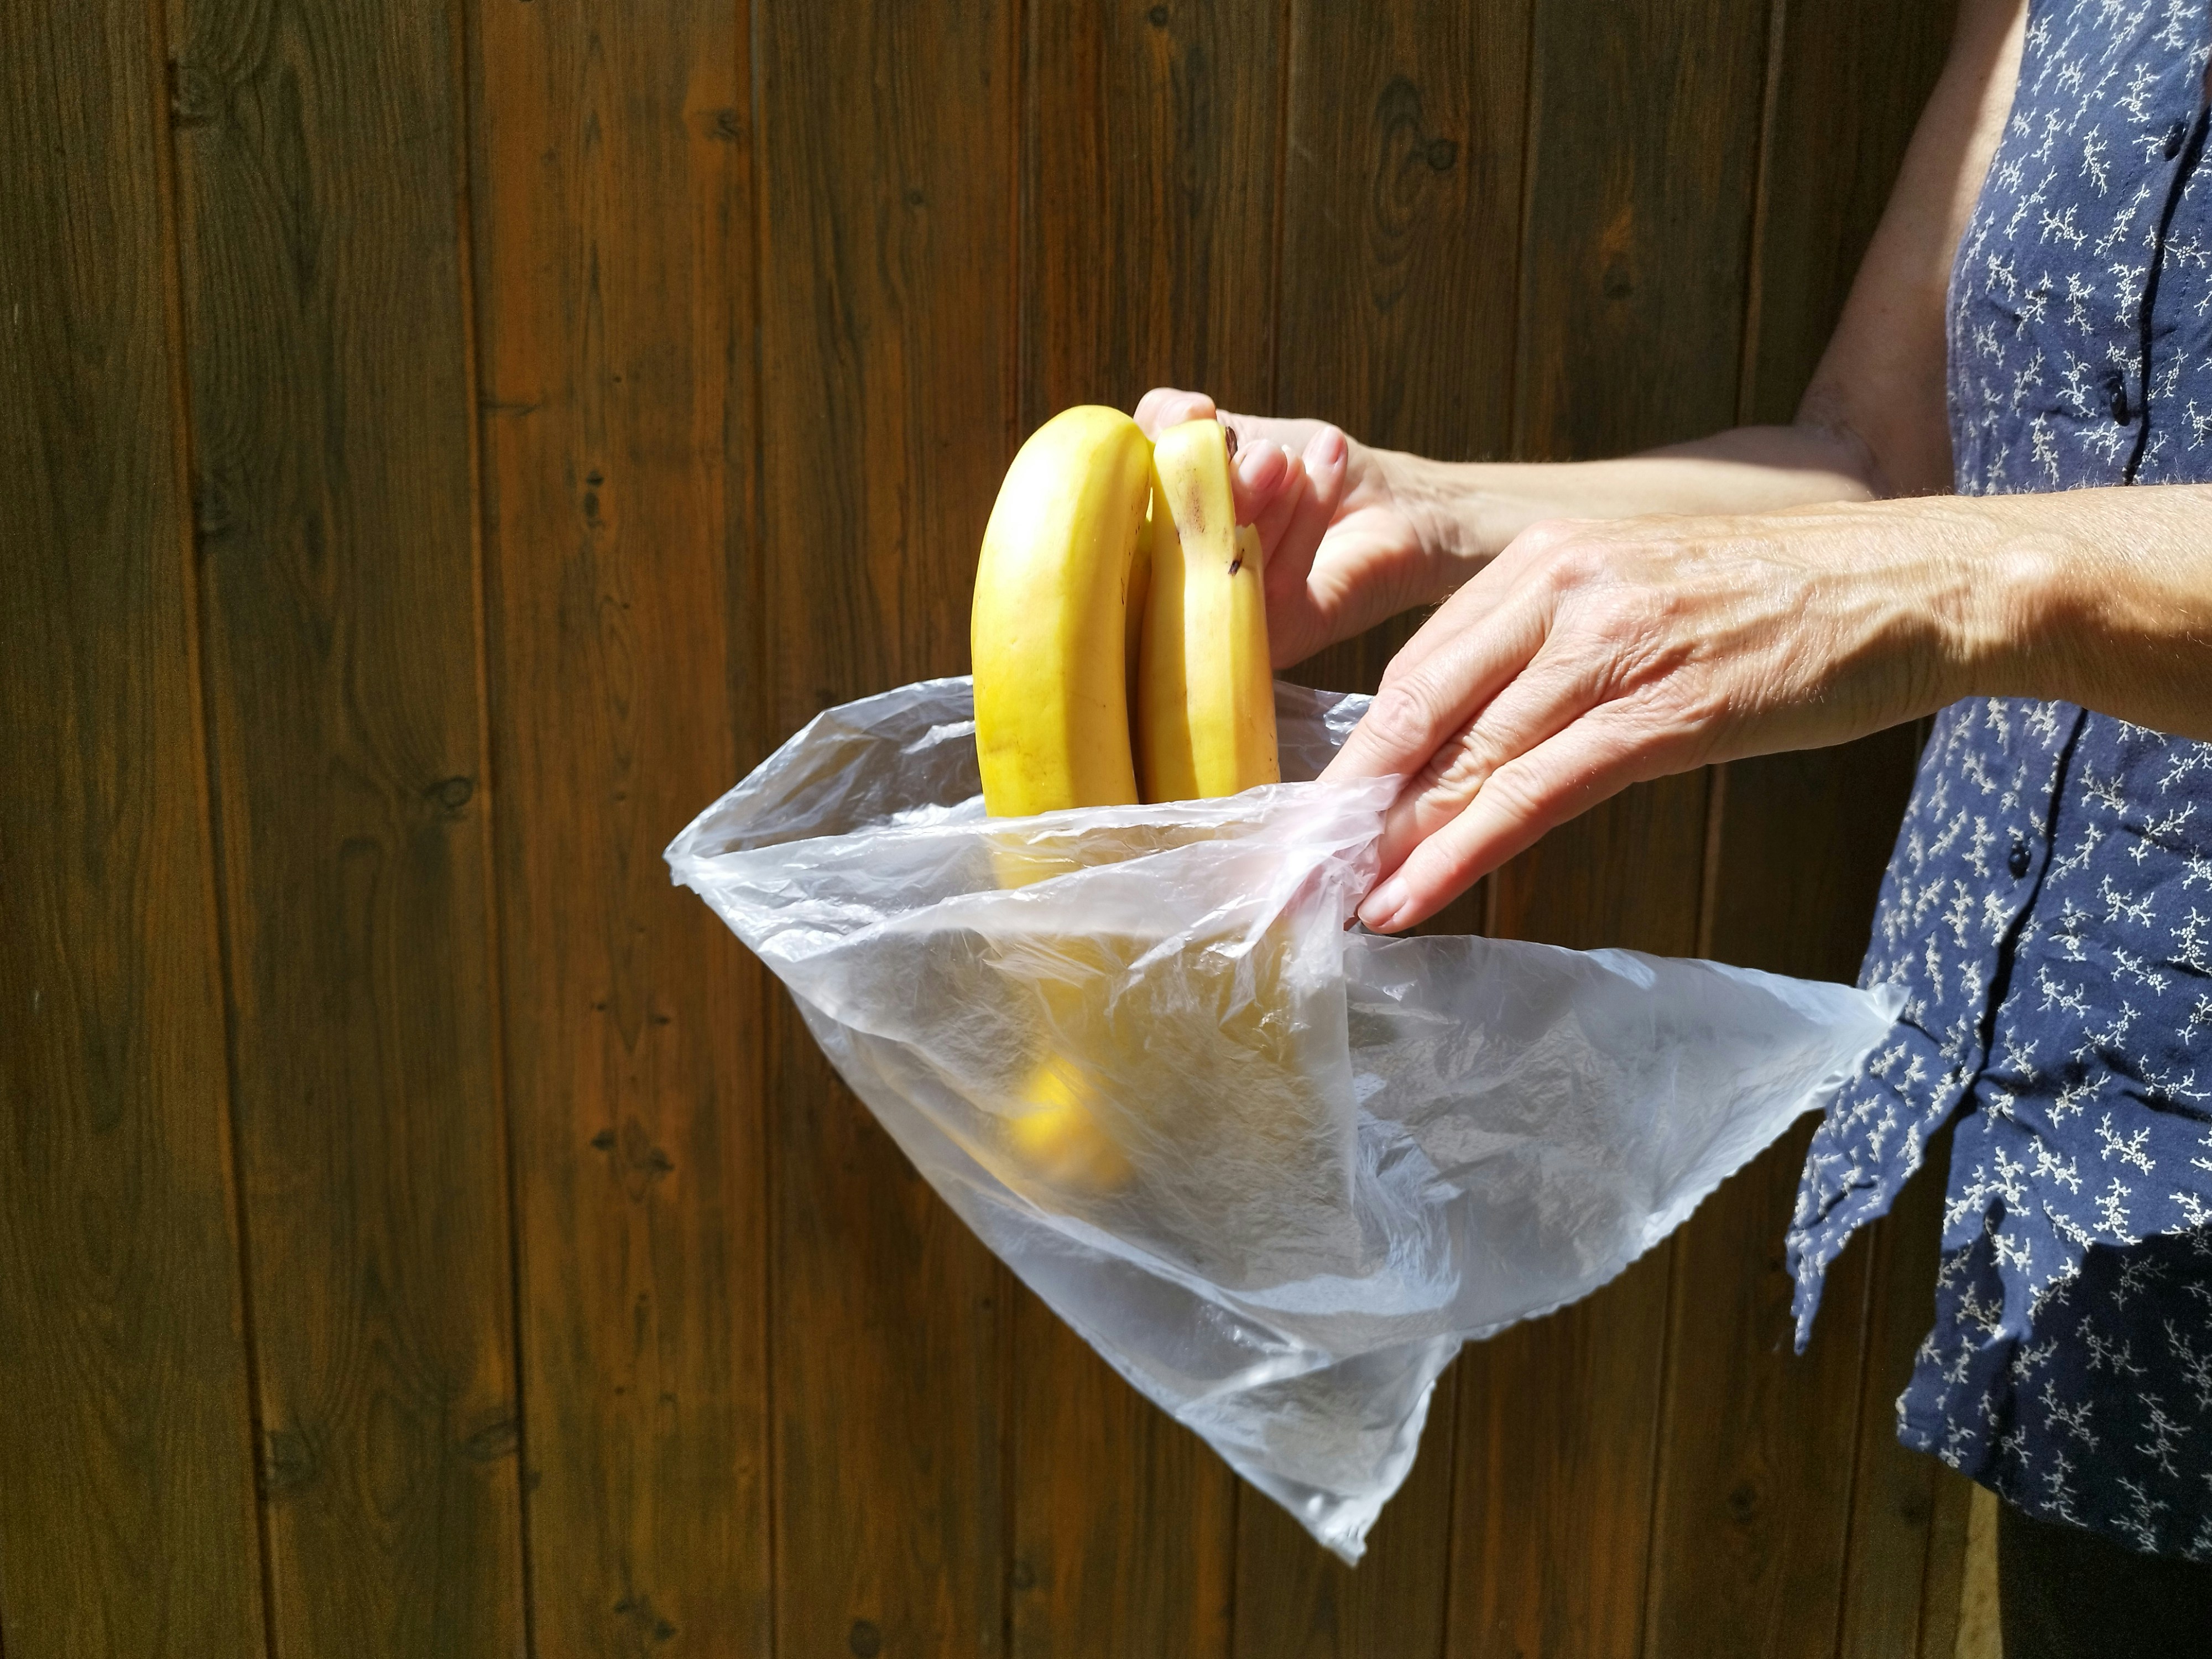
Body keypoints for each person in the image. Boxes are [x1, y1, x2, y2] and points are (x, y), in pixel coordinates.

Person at [1138, 1, 2212, 1651]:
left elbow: (1934, 551)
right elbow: (1873, 466)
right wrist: (1421, 508)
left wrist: (1982, 579)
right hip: (2078, 1237)